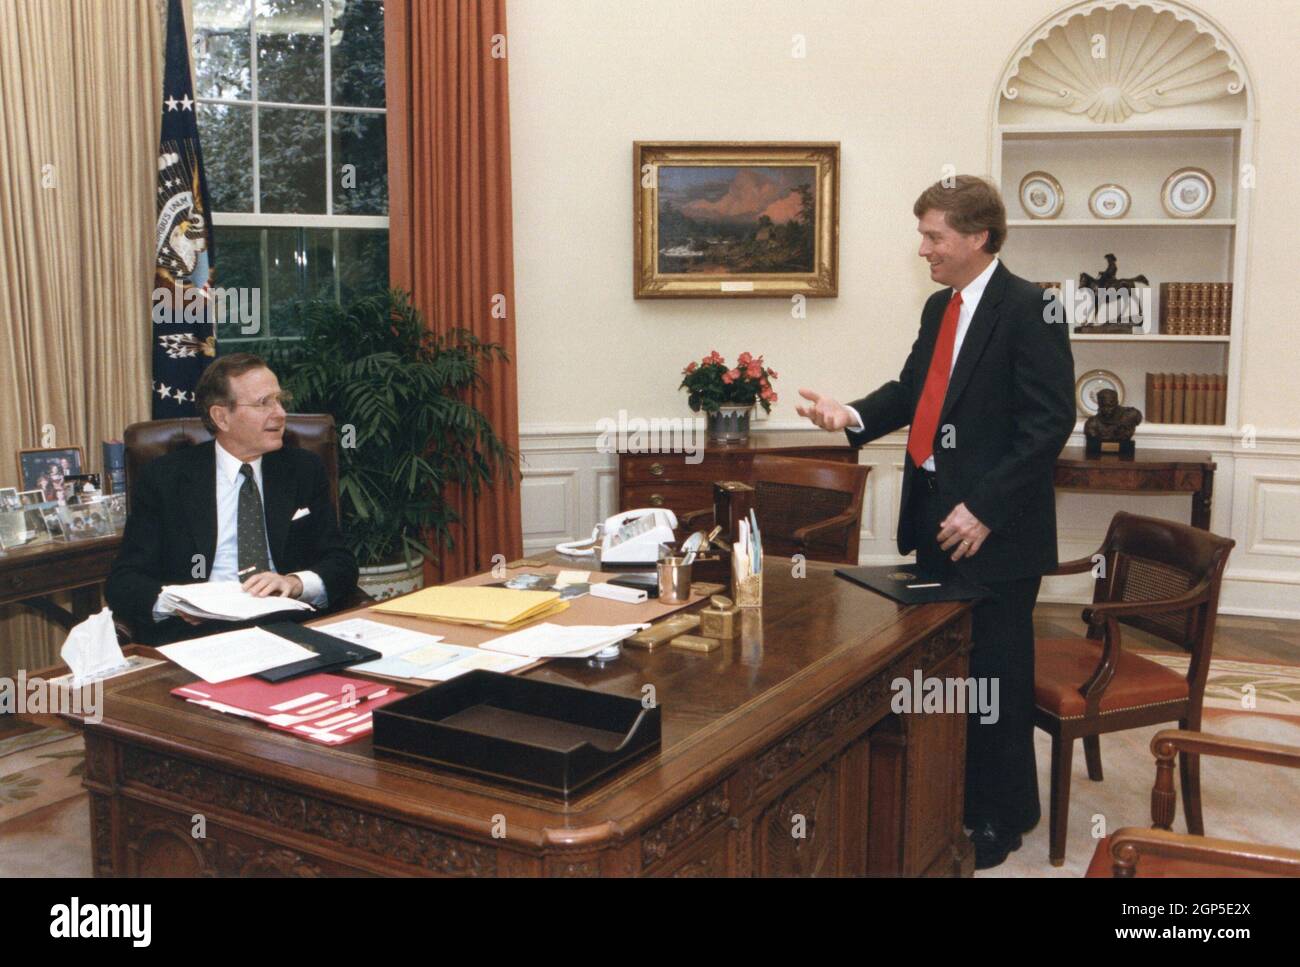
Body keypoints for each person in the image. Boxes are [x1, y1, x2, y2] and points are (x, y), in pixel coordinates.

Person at [796, 175, 1075, 869]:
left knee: (995, 678)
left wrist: (984, 506)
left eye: (934, 236)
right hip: (931, 521)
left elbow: (1049, 425)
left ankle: (998, 819)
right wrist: (852, 415)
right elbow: (913, 391)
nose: (924, 249)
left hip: (997, 532)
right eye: (923, 236)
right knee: (948, 672)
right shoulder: (938, 308)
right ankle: (954, 794)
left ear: (978, 237)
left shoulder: (1032, 308)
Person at [107, 353, 358, 645]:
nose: (280, 413)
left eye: (279, 400)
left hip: (289, 626)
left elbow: (341, 563)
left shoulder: (302, 469)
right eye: (264, 403)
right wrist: (178, 603)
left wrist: (295, 582)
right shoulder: (165, 479)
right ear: (221, 417)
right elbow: (124, 581)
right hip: (197, 635)